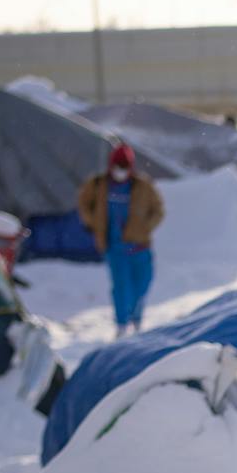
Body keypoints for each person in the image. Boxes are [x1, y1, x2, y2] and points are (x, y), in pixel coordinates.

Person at [78, 143, 164, 336]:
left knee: (142, 285)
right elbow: (84, 204)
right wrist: (94, 223)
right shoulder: (99, 185)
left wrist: (145, 227)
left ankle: (136, 318)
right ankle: (122, 324)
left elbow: (158, 210)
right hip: (115, 248)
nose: (120, 171)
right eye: (118, 167)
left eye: (124, 167)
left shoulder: (142, 186)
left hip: (140, 247)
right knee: (121, 288)